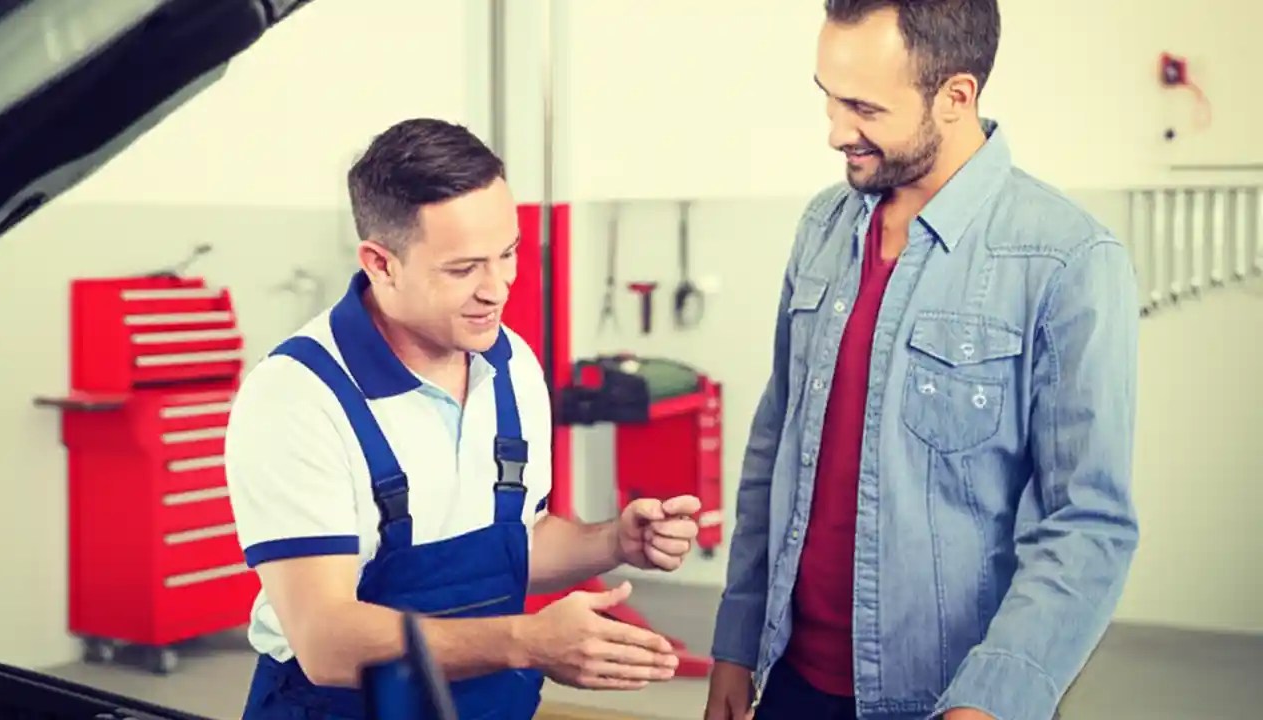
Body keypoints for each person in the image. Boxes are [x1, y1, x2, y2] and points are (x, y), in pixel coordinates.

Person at [704, 2, 1140, 720]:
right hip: (790, 683)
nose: (836, 131)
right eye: (828, 97)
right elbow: (774, 447)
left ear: (956, 96)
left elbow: (1087, 522)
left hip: (947, 699)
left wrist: (992, 700)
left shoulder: (1067, 260)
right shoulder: (822, 226)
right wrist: (736, 643)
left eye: (863, 107)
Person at [225, 118, 701, 719]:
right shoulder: (298, 397)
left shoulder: (511, 366)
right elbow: (326, 640)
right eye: (463, 268)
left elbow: (512, 540)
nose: (498, 288)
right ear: (380, 262)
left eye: (508, 254)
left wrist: (613, 540)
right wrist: (526, 641)